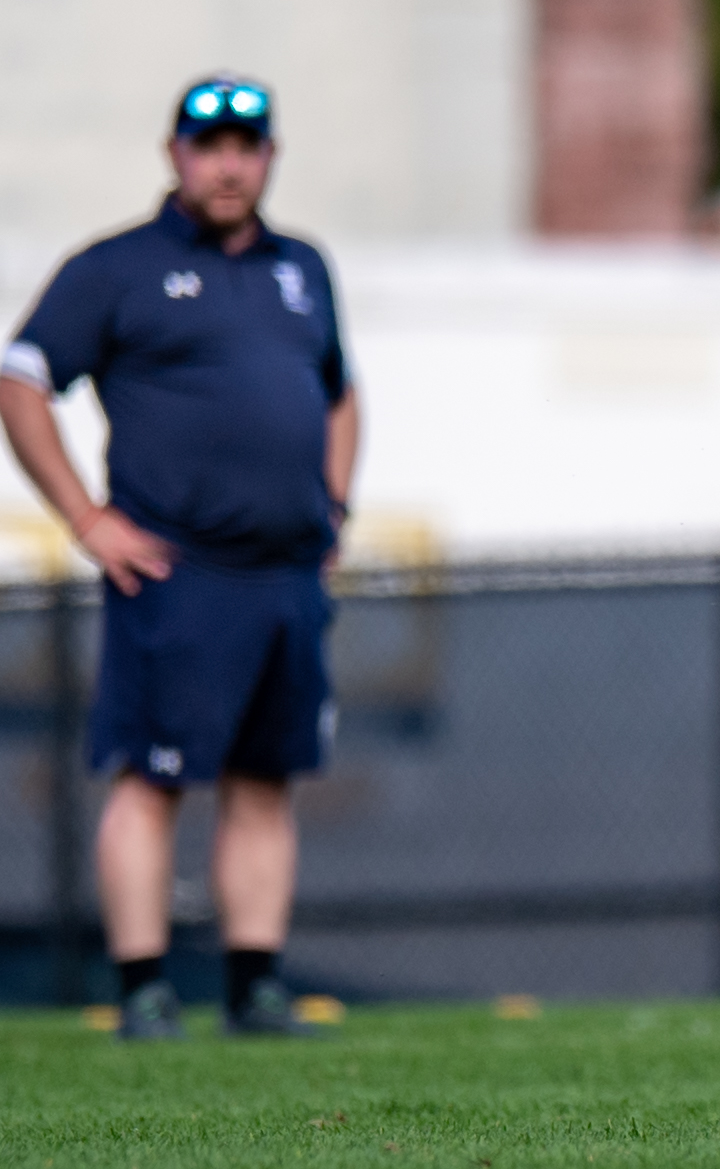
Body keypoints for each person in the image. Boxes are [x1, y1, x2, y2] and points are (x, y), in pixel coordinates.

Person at [0, 75, 357, 1039]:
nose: (229, 163)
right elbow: (22, 378)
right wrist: (86, 518)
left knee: (264, 778)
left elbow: (336, 393)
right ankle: (145, 987)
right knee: (152, 778)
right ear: (176, 156)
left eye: (247, 144)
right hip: (176, 571)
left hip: (286, 572)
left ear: (270, 156)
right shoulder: (118, 268)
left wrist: (334, 506)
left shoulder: (303, 268)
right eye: (210, 146)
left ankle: (256, 985)